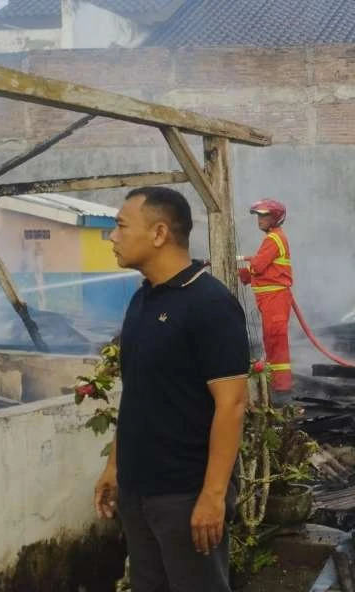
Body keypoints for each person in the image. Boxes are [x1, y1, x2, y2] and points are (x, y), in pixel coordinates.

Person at [97, 187, 250, 590]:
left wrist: (213, 496)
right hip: (138, 490)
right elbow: (138, 393)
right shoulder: (142, 301)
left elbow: (232, 405)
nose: (112, 236)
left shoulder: (209, 304)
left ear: (159, 233)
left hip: (185, 494)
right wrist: (114, 466)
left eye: (120, 225)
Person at [238, 199, 294, 393]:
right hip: (272, 301)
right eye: (259, 216)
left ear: (275, 218)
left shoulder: (273, 239)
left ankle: (281, 389)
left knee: (276, 342)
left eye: (264, 216)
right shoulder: (273, 238)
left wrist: (243, 269)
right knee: (271, 341)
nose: (259, 220)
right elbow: (262, 266)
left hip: (275, 300)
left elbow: (257, 266)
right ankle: (273, 383)